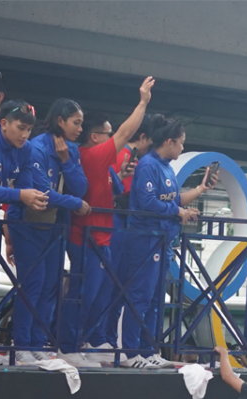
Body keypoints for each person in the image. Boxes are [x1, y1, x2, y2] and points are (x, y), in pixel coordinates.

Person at [59, 77, 154, 369]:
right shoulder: (91, 155)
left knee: (100, 293)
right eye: (107, 133)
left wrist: (121, 174)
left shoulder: (99, 159)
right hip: (86, 235)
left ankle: (94, 340)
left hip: (102, 235)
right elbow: (128, 131)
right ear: (95, 137)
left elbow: (106, 186)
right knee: (83, 293)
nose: (114, 137)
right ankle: (68, 345)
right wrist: (142, 103)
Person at [118, 116, 216, 368]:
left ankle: (149, 350)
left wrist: (199, 191)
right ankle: (131, 352)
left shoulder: (166, 168)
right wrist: (177, 213)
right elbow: (147, 200)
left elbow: (173, 200)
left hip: (163, 242)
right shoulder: (148, 165)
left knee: (155, 300)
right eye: (181, 143)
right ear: (169, 141)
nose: (183, 148)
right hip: (145, 240)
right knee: (139, 297)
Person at [6, 97, 89, 365]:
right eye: (75, 123)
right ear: (60, 121)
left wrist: (66, 161)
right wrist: (76, 204)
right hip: (28, 225)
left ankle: (37, 342)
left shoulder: (71, 150)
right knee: (33, 284)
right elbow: (44, 193)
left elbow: (81, 187)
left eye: (82, 123)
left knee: (51, 285)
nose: (79, 128)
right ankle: (21, 346)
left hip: (56, 227)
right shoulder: (36, 147)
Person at [0, 100, 48, 365]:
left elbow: (23, 191)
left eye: (29, 130)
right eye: (21, 128)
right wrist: (21, 195)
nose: (25, 135)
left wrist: (32, 199)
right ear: (4, 124)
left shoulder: (24, 150)